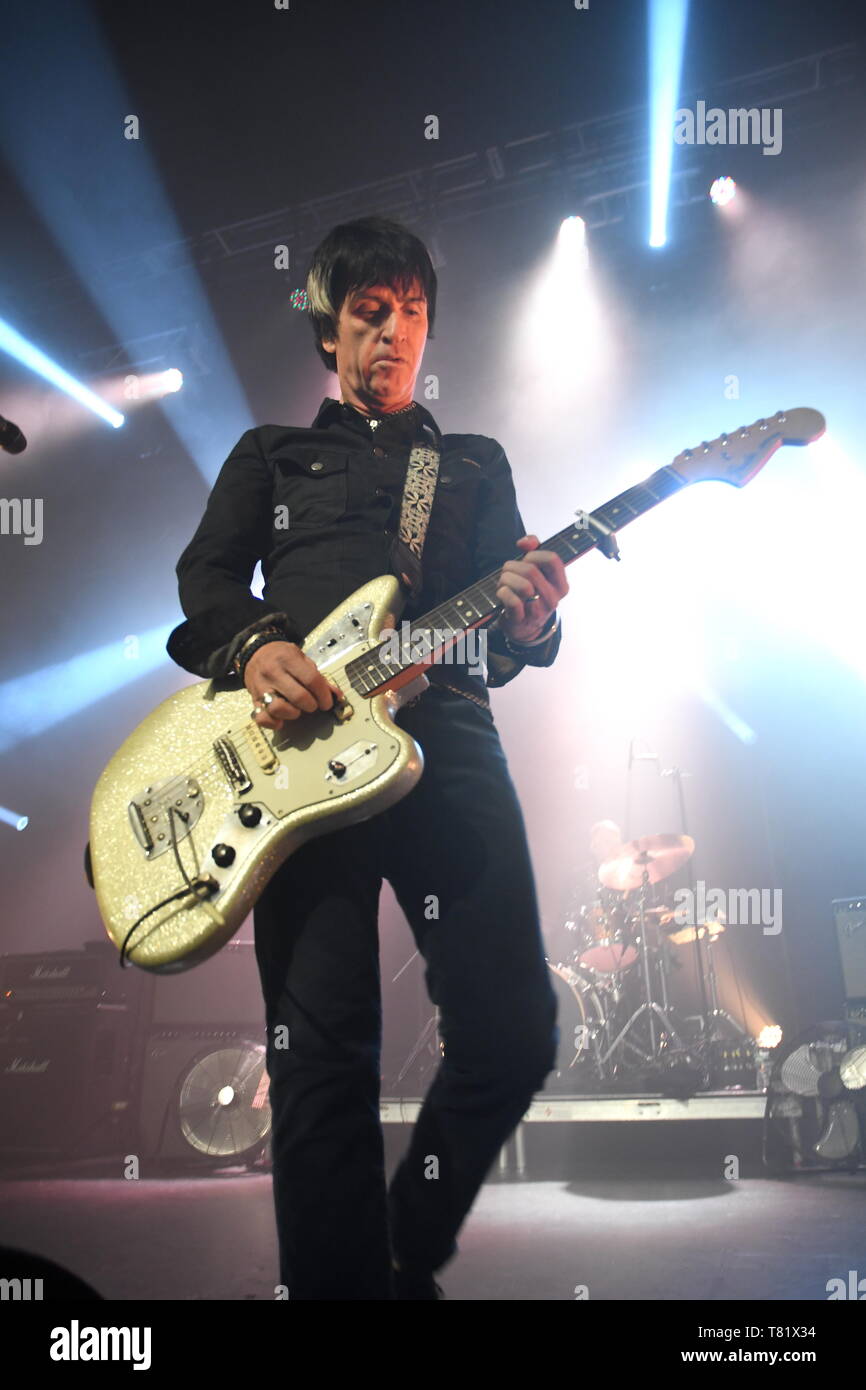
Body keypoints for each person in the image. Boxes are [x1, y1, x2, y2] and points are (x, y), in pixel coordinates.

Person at [166, 215, 569, 1300]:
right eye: (369, 312)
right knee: (321, 1051)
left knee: (515, 1028)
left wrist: (530, 621)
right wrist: (257, 647)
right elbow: (202, 587)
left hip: (448, 741)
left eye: (412, 313)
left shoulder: (473, 463)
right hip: (298, 765)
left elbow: (515, 618)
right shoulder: (268, 455)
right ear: (329, 330)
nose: (394, 333)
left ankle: (399, 1247)